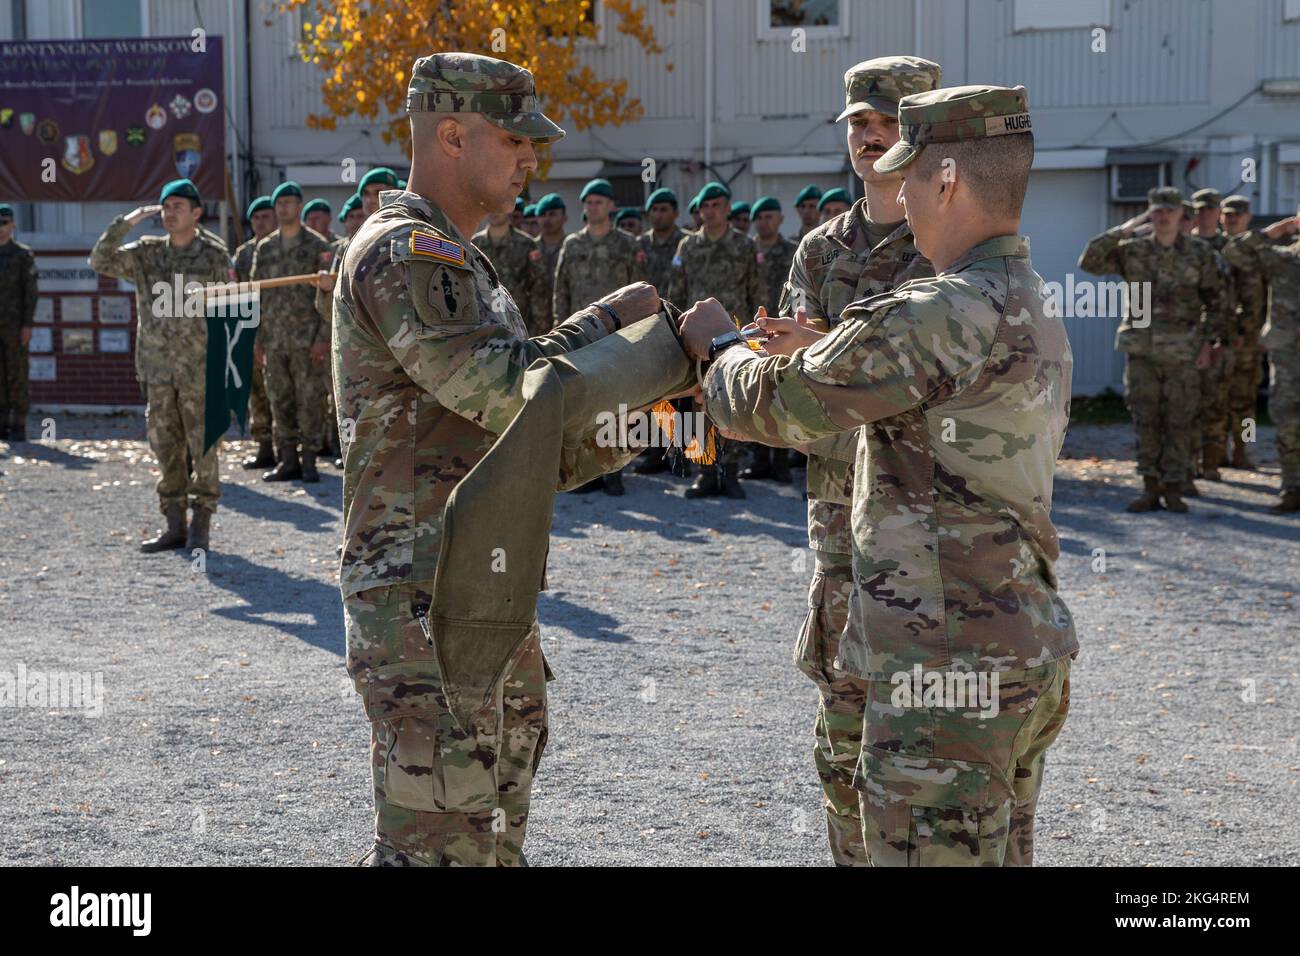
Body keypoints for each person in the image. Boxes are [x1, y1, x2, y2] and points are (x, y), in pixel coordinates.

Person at [681, 84, 1077, 867]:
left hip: (942, 671)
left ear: (949, 181)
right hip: (1018, 652)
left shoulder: (940, 309)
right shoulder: (1030, 298)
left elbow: (778, 405)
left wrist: (719, 344)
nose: (902, 193)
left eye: (911, 175)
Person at [333, 51, 663, 866]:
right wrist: (652, 349)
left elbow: (525, 439)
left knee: (486, 840)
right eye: (515, 140)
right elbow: (510, 390)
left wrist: (652, 382)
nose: (529, 160)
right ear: (451, 134)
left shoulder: (463, 260)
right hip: (423, 595)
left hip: (475, 586)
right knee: (437, 845)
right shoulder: (408, 251)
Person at [774, 54, 941, 864]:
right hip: (840, 530)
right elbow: (786, 391)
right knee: (841, 745)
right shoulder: (818, 252)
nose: (871, 135)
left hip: (932, 536)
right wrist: (819, 367)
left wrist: (827, 358)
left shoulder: (952, 246)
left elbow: (950, 398)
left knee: (929, 750)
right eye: (859, 123)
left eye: (888, 120)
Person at [89, 179, 231, 552]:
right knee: (165, 447)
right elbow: (99, 259)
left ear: (197, 213)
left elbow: (234, 312)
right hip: (156, 370)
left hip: (200, 370)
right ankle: (175, 526)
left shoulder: (214, 256)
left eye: (177, 207)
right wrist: (129, 220)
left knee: (204, 447)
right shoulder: (147, 253)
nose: (169, 213)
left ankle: (200, 527)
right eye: (165, 207)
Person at [1079, 187, 1230, 512]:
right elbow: (1089, 260)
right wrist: (1128, 226)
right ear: (1150, 213)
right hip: (1142, 351)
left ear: (1180, 215)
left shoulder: (1199, 253)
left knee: (1179, 419)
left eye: (1169, 211)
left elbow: (1216, 301)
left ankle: (1174, 488)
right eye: (1156, 211)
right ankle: (1150, 487)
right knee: (1145, 418)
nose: (1162, 217)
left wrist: (1208, 342)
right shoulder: (1132, 250)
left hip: (1183, 351)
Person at [668, 180, 764, 498]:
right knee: (700, 404)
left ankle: (731, 473)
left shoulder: (744, 246)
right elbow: (677, 294)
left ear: (727, 207)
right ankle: (706, 473)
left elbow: (756, 290)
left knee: (734, 403)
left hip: (735, 337)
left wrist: (756, 332)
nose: (710, 212)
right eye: (704, 207)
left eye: (716, 205)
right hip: (698, 340)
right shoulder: (688, 248)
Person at [552, 178, 646, 495]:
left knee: (618, 403)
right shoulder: (572, 245)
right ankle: (583, 470)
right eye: (588, 202)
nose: (593, 207)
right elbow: (560, 290)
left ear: (611, 206)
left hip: (618, 337)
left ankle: (613, 471)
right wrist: (560, 329)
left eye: (599, 202)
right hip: (581, 337)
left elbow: (640, 291)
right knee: (582, 403)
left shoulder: (627, 245)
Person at [251, 181, 335, 483]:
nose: (283, 208)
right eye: (279, 203)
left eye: (288, 202)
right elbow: (255, 295)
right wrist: (256, 338)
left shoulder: (318, 247)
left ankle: (309, 459)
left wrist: (323, 337)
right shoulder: (266, 248)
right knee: (279, 399)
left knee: (311, 400)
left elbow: (330, 297)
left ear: (299, 206)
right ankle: (287, 459)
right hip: (274, 340)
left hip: (307, 339)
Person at [742, 194, 796, 483]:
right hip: (755, 330)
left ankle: (782, 461)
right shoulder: (746, 250)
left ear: (780, 219)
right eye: (759, 217)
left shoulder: (793, 251)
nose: (764, 222)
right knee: (757, 392)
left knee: (784, 394)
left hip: (784, 329)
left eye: (769, 216)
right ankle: (760, 459)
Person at [635, 187, 688, 477]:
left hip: (679, 325)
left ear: (675, 213)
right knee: (653, 392)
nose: (659, 214)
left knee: (684, 394)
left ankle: (683, 454)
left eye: (664, 209)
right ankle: (655, 452)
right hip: (647, 325)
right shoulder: (640, 245)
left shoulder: (686, 242)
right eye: (654, 210)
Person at [1251, 205, 1300, 513]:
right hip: (1287, 355)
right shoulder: (1281, 257)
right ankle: (1293, 487)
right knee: (1288, 421)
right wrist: (1276, 231)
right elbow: (1236, 254)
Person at [1220, 194, 1269, 468]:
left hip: (1250, 339)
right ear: (1221, 216)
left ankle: (1242, 451)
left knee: (1246, 401)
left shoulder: (1260, 251)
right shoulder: (1210, 247)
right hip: (1216, 339)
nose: (1233, 218)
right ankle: (1213, 455)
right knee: (1213, 400)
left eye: (1238, 214)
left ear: (1248, 217)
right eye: (1228, 213)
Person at [233, 195, 278, 470]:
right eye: (256, 218)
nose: (260, 222)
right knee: (257, 394)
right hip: (252, 332)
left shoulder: (281, 248)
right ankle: (264, 448)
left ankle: (289, 451)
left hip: (282, 333)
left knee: (283, 394)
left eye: (265, 216)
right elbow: (238, 296)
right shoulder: (243, 254)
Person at [472, 207, 545, 334]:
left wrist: (537, 330)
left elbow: (538, 290)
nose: (494, 211)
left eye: (498, 206)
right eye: (490, 205)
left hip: (519, 326)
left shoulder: (527, 244)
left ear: (509, 208)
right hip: (484, 328)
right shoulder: (474, 244)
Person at [0, 203, 38, 443]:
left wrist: (27, 324)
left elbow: (31, 292)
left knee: (18, 374)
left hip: (14, 326)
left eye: (4, 223)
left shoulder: (22, 254)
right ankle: (2, 421)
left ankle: (18, 423)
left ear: (12, 225)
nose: (0, 228)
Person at [531, 192, 568, 330]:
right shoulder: (529, 248)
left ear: (565, 218)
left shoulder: (574, 247)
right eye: (542, 215)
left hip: (568, 323)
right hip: (534, 326)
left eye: (552, 214)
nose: (547, 219)